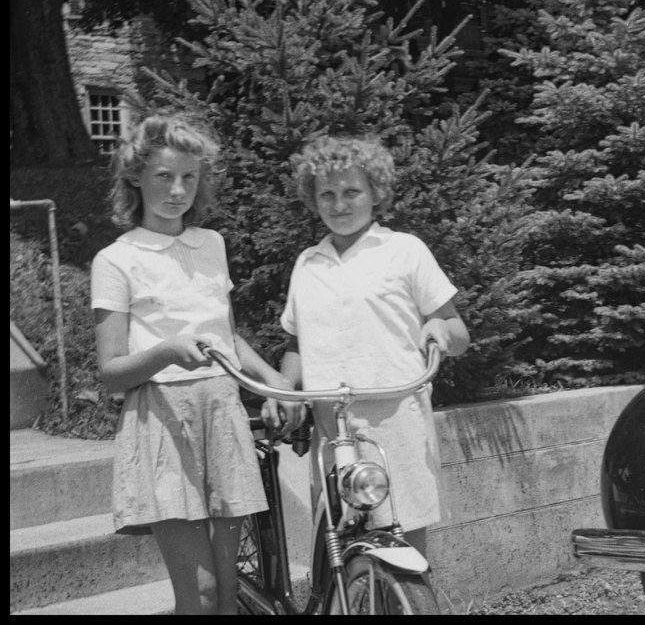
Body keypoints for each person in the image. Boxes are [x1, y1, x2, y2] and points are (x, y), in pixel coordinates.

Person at [91, 113, 293, 615]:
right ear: (135, 176)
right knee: (199, 597)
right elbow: (110, 370)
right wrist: (166, 351)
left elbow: (224, 336)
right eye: (164, 176)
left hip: (222, 411)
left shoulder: (212, 244)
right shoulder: (116, 260)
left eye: (189, 177)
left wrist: (270, 381)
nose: (177, 190)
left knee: (230, 596)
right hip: (162, 419)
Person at [264, 135, 470, 559]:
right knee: (344, 549)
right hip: (332, 428)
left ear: (376, 192)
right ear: (313, 199)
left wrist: (439, 331)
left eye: (351, 191)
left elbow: (457, 329)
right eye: (328, 194)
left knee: (404, 546)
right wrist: (282, 391)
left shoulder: (404, 251)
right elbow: (297, 343)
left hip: (394, 418)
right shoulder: (308, 263)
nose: (340, 204)